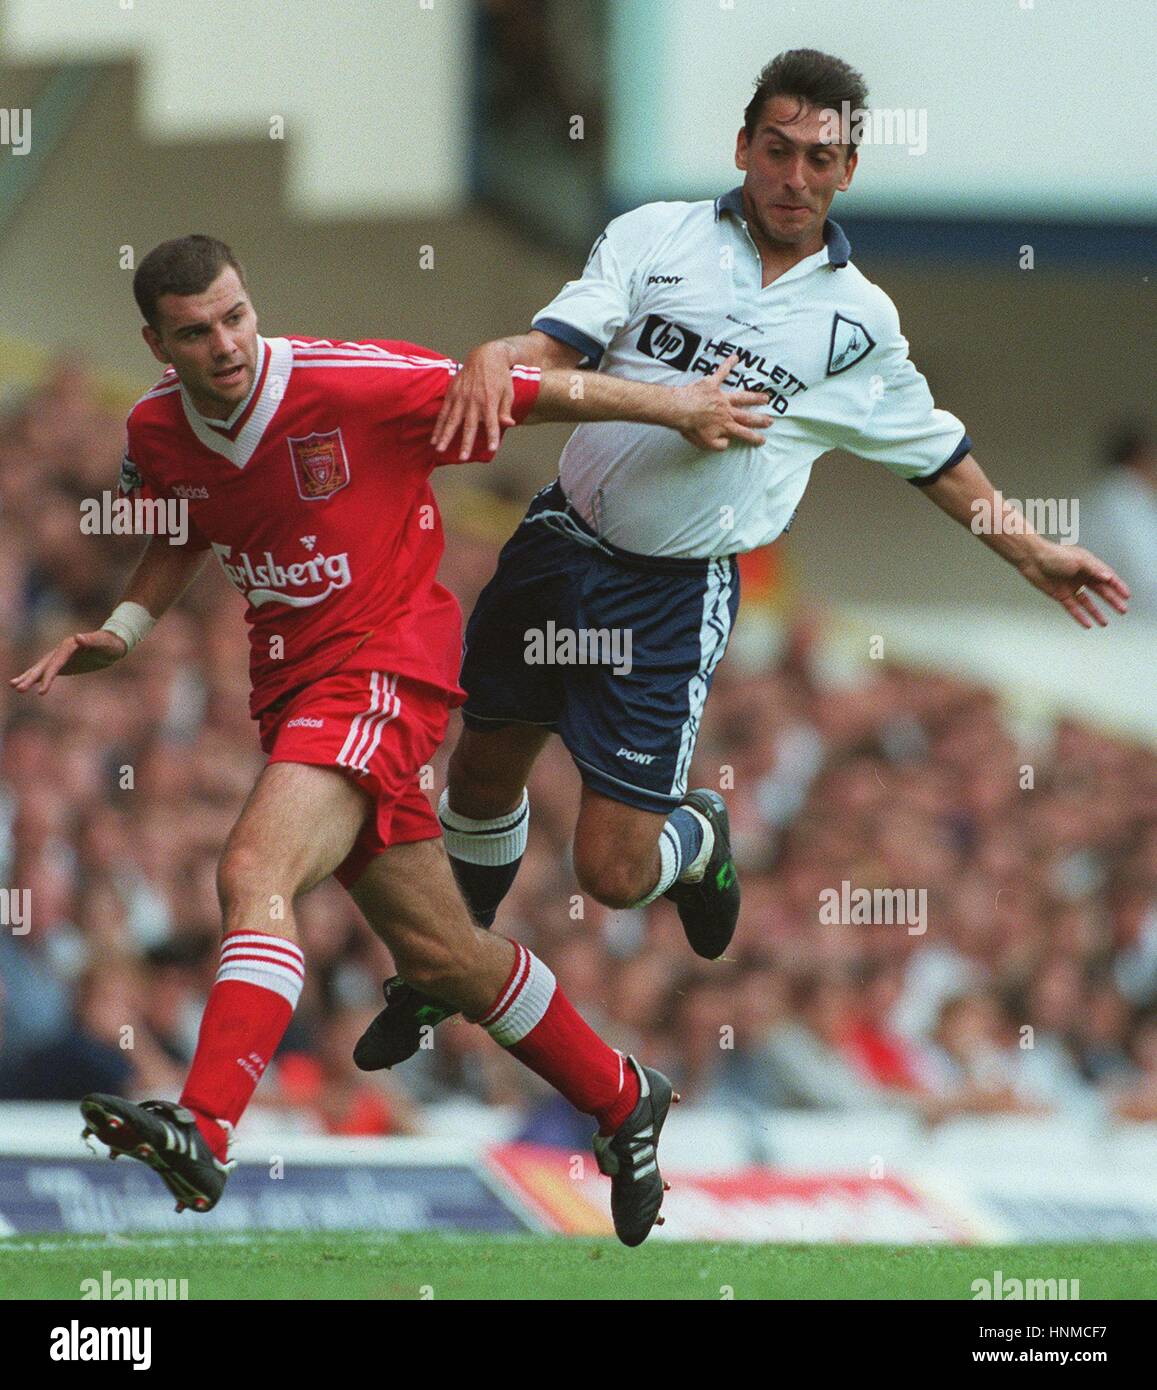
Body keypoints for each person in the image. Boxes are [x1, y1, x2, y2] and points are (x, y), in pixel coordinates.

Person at [356, 47, 1130, 1069]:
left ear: (846, 170)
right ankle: (434, 974)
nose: (794, 177)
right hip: (557, 545)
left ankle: (699, 837)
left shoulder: (855, 323)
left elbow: (930, 450)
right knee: (485, 769)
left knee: (612, 872)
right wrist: (501, 355)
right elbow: (561, 347)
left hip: (670, 595)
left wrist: (1026, 547)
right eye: (777, 150)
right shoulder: (655, 233)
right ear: (742, 147)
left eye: (818, 158)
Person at [10, 234, 770, 1244]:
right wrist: (128, 627)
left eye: (235, 315)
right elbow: (189, 522)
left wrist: (677, 405)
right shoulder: (157, 427)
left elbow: (523, 390)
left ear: (251, 304)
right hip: (294, 693)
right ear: (158, 342)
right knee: (444, 953)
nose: (227, 344)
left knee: (252, 871)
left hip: (384, 667)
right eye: (196, 332)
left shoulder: (349, 384)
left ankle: (203, 1124)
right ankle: (624, 1095)